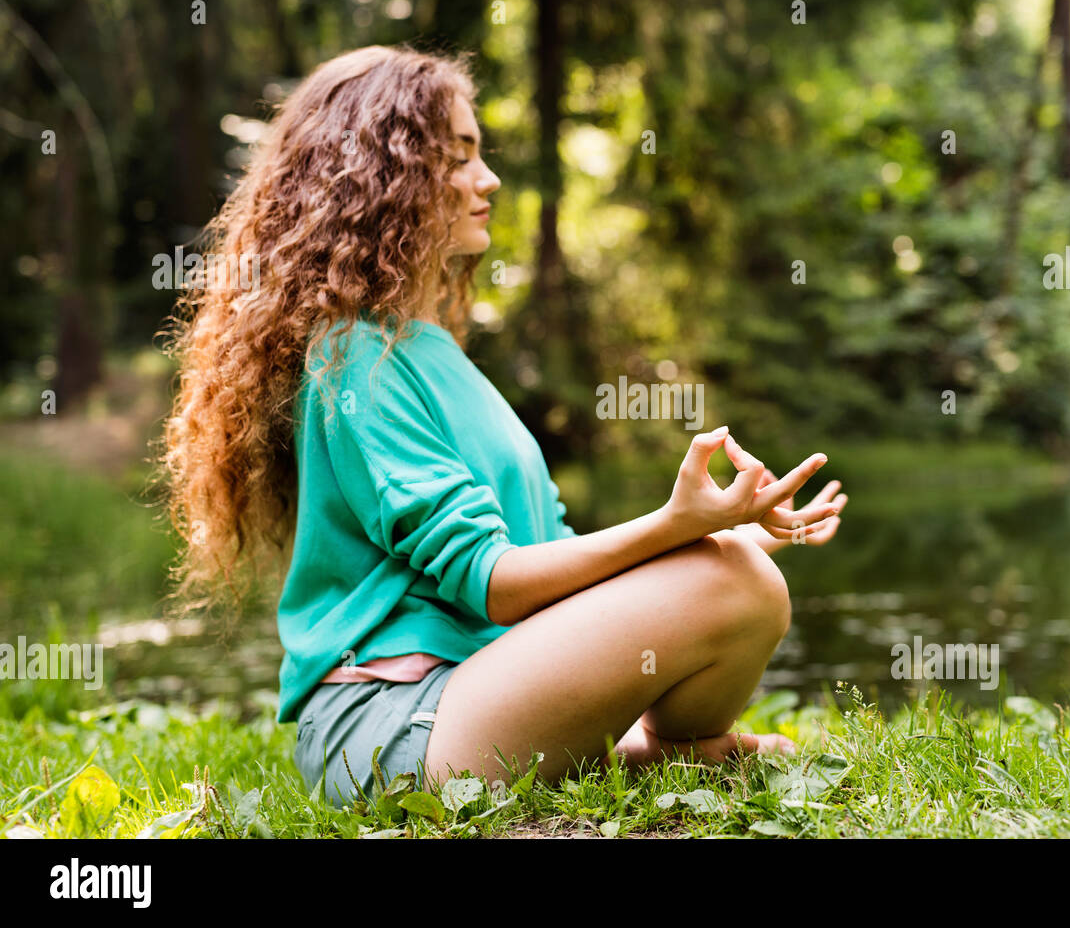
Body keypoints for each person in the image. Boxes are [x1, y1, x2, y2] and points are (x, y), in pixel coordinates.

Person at [159, 45, 848, 808]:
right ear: (382, 180)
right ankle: (656, 753)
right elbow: (495, 585)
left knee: (740, 574)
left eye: (479, 156)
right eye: (456, 159)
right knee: (737, 585)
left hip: (472, 694)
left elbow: (550, 564)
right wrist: (672, 529)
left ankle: (655, 753)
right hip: (388, 729)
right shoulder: (353, 357)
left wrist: (722, 531)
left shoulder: (434, 352)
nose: (486, 180)